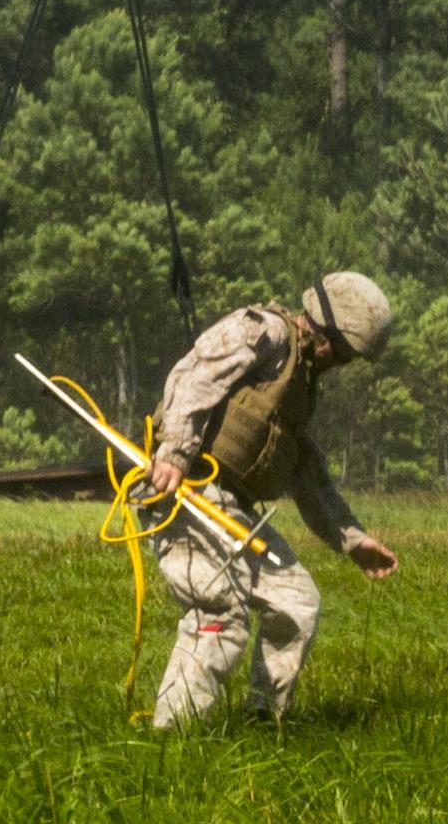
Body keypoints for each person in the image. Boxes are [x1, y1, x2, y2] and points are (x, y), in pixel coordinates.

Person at [132, 271, 403, 729]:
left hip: (234, 509)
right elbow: (195, 377)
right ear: (324, 331)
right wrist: (175, 453)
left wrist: (352, 540)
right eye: (343, 352)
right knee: (219, 611)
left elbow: (306, 472)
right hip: (188, 491)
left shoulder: (299, 386)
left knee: (296, 605)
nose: (342, 364)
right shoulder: (264, 332)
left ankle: (263, 722)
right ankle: (170, 740)